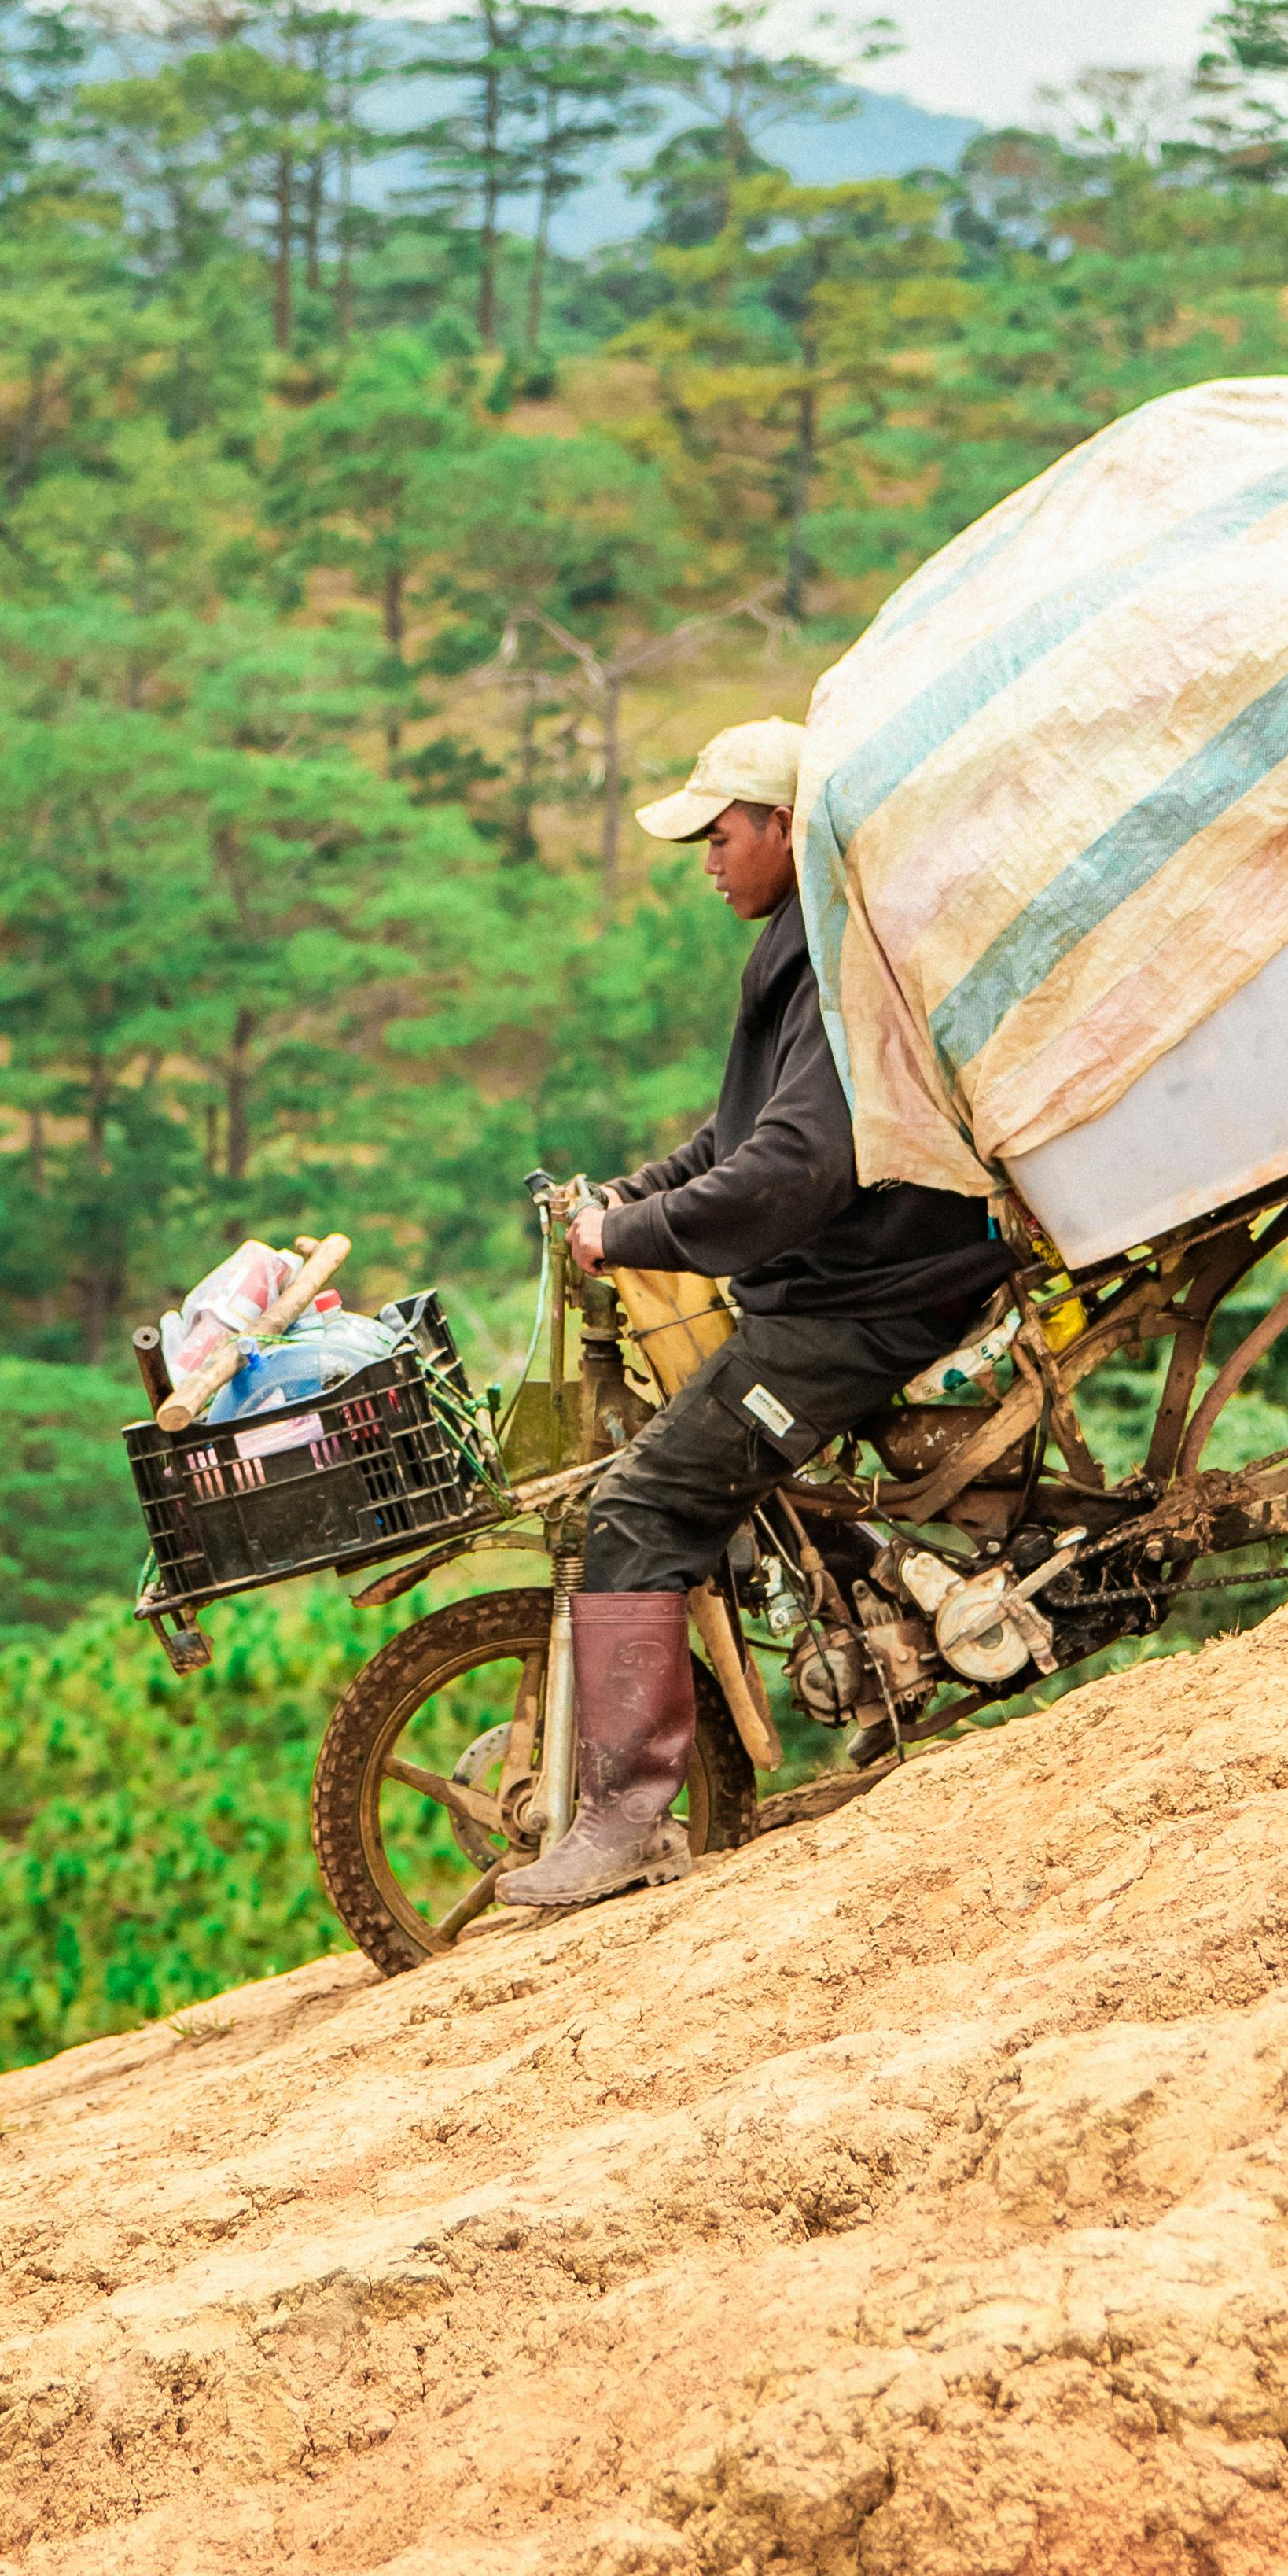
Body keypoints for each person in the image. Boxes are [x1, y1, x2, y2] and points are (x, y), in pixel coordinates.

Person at [498, 714, 1006, 1917]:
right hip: (847, 1284)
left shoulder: (827, 966)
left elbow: (789, 1172)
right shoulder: (799, 941)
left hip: (865, 1301)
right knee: (721, 1463)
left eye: (721, 835)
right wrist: (634, 1196)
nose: (707, 860)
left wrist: (630, 1235)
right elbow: (732, 1142)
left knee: (645, 1500)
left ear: (784, 826)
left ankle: (625, 1823)